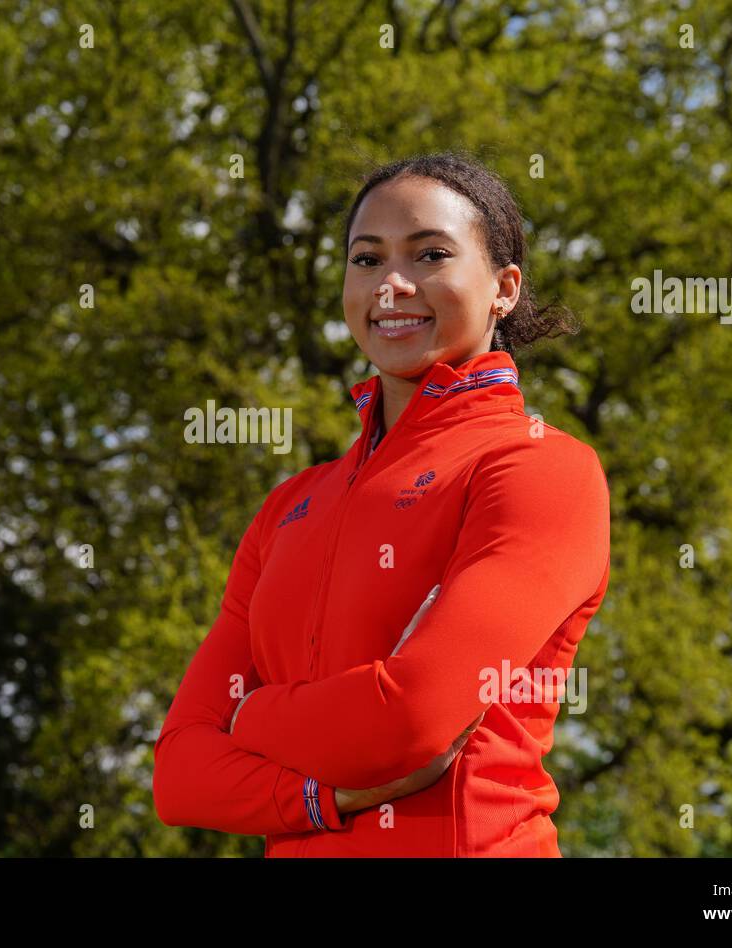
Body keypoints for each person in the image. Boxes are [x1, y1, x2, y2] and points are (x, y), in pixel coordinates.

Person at [152, 151, 610, 856]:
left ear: (504, 288)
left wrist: (247, 719)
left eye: (430, 254)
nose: (392, 285)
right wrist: (320, 798)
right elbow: (180, 776)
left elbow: (411, 722)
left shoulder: (540, 468)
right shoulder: (287, 507)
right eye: (366, 260)